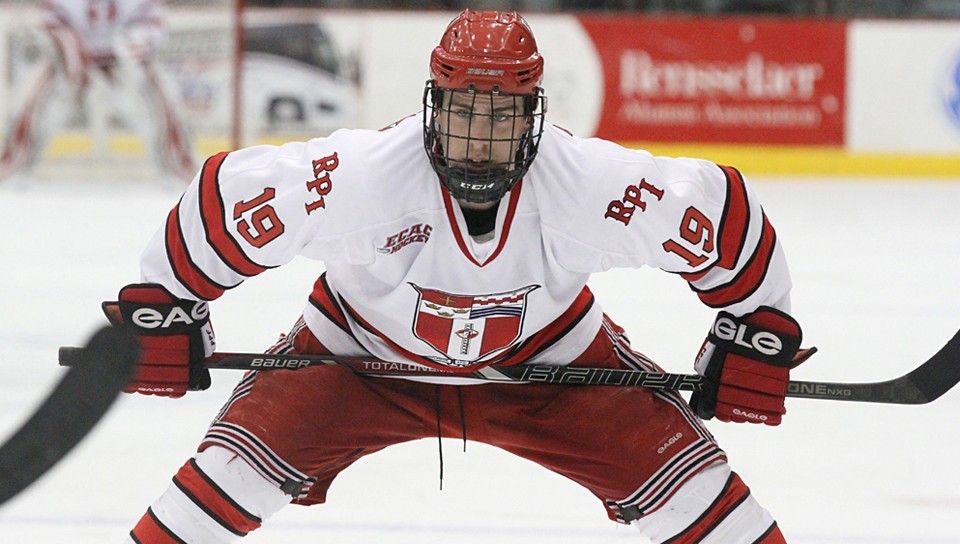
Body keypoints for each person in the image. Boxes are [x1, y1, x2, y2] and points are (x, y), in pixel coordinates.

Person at [106, 9, 814, 543]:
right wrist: (167, 306)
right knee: (214, 490)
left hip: (549, 365)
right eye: (465, 111)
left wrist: (756, 327)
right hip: (355, 360)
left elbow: (722, 216)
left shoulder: (590, 186)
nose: (480, 136)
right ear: (434, 106)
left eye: (501, 114)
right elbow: (222, 199)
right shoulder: (361, 179)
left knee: (709, 509)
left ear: (533, 114)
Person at [0, 0, 196, 182]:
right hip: (68, 60)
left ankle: (180, 168)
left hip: (121, 60)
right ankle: (12, 166)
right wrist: (71, 52)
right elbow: (51, 21)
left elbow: (152, 21)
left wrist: (133, 48)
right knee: (30, 104)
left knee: (163, 101)